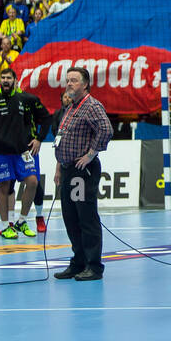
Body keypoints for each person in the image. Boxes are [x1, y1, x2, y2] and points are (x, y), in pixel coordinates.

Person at [51, 66, 111, 281]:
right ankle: (78, 262)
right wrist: (59, 165)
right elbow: (62, 138)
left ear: (85, 84)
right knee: (70, 217)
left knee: (86, 218)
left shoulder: (92, 106)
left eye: (74, 80)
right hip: (67, 170)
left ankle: (94, 266)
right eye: (67, 80)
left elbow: (106, 130)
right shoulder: (71, 107)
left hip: (81, 172)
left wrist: (91, 154)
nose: (69, 84)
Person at [0, 66, 50, 241]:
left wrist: (39, 139)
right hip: (1, 152)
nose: (5, 80)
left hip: (22, 151)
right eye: (3, 77)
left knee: (33, 182)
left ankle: (21, 220)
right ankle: (6, 226)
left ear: (14, 80)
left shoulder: (25, 99)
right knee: (4, 187)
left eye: (9, 78)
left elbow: (46, 117)